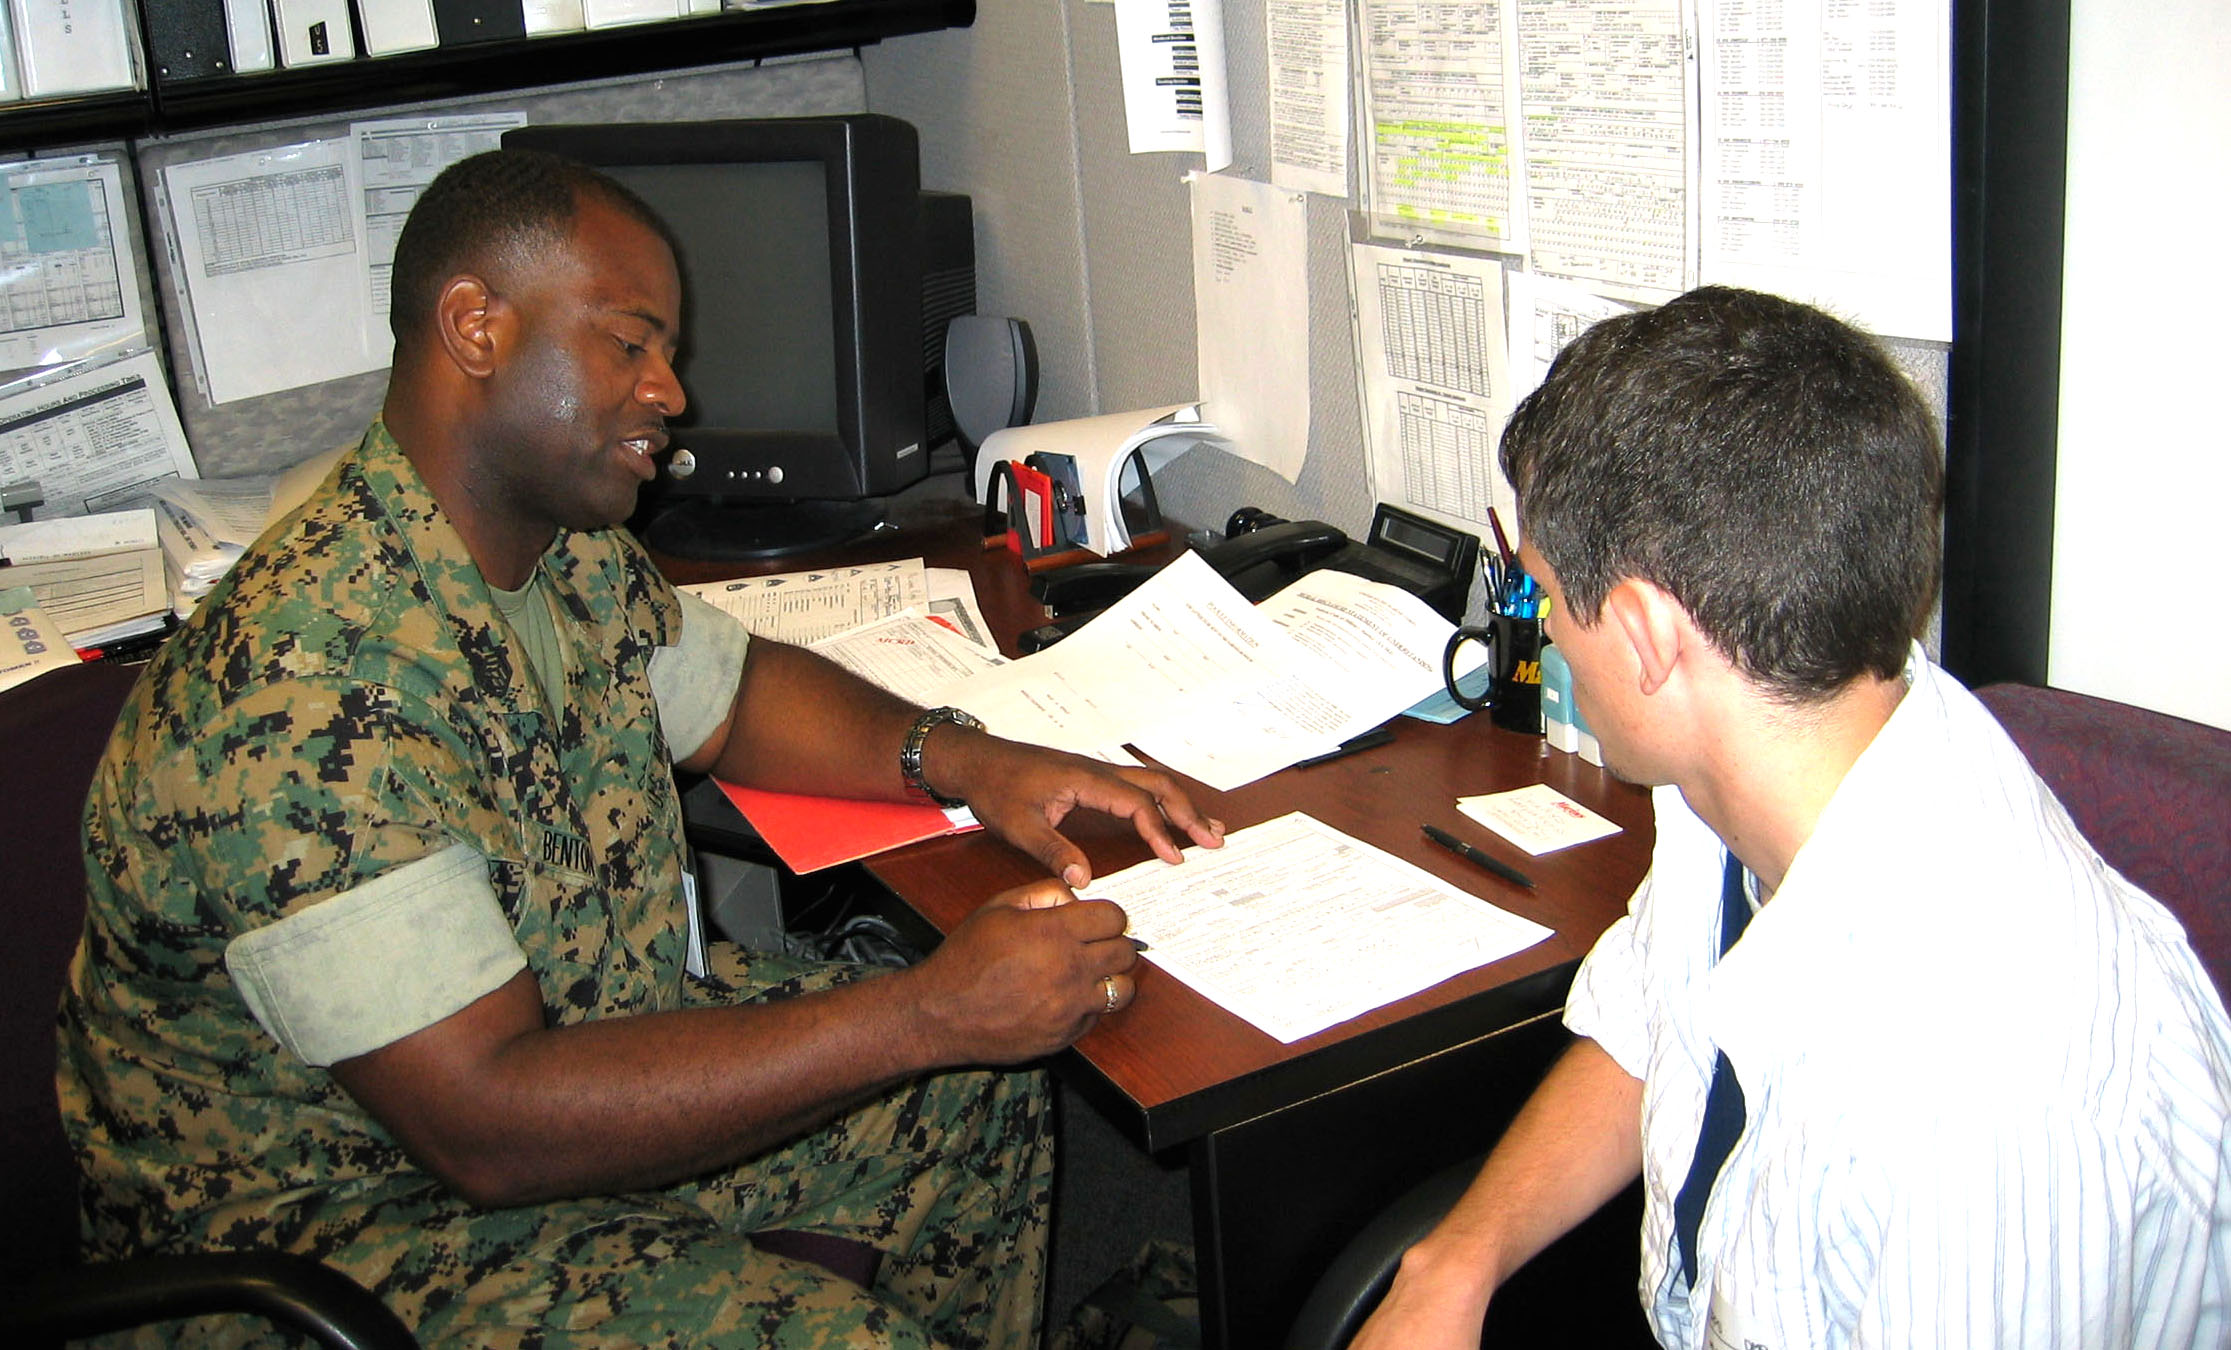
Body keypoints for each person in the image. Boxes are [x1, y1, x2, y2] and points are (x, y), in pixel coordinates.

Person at [58, 148, 1226, 1349]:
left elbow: (736, 694)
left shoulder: (545, 544)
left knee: (969, 1092)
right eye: (629, 343)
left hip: (571, 1057)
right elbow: (488, 1128)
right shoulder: (301, 695)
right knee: (922, 1099)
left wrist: (969, 759)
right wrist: (927, 1011)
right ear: (475, 329)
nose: (671, 392)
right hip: (345, 1234)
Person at [1354, 286, 2231, 1348]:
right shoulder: (1760, 764)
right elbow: (1652, 1018)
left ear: (1641, 637)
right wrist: (1459, 1258)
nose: (1542, 633)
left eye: (1540, 595)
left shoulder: (1984, 1108)